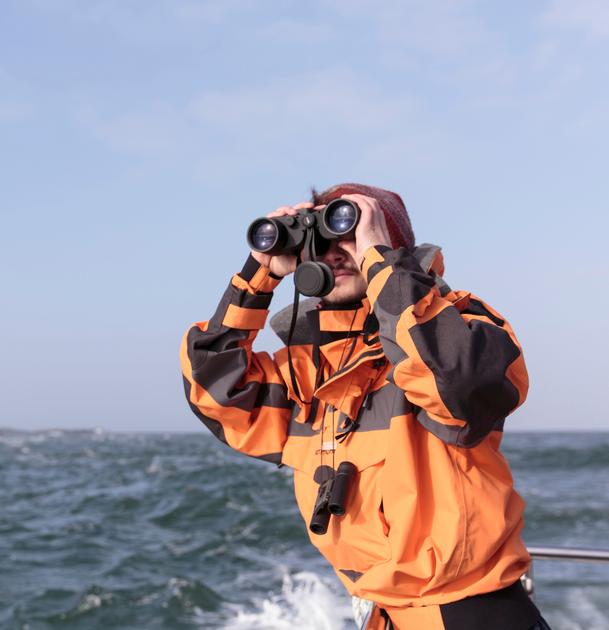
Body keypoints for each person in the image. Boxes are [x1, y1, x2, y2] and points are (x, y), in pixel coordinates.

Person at [179, 184, 550, 629]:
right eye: (323, 239)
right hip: (380, 616)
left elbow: (458, 379)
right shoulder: (304, 370)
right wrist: (260, 273)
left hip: (473, 614)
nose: (335, 253)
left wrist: (381, 262)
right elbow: (213, 390)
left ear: (388, 247)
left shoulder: (464, 326)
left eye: (349, 233)